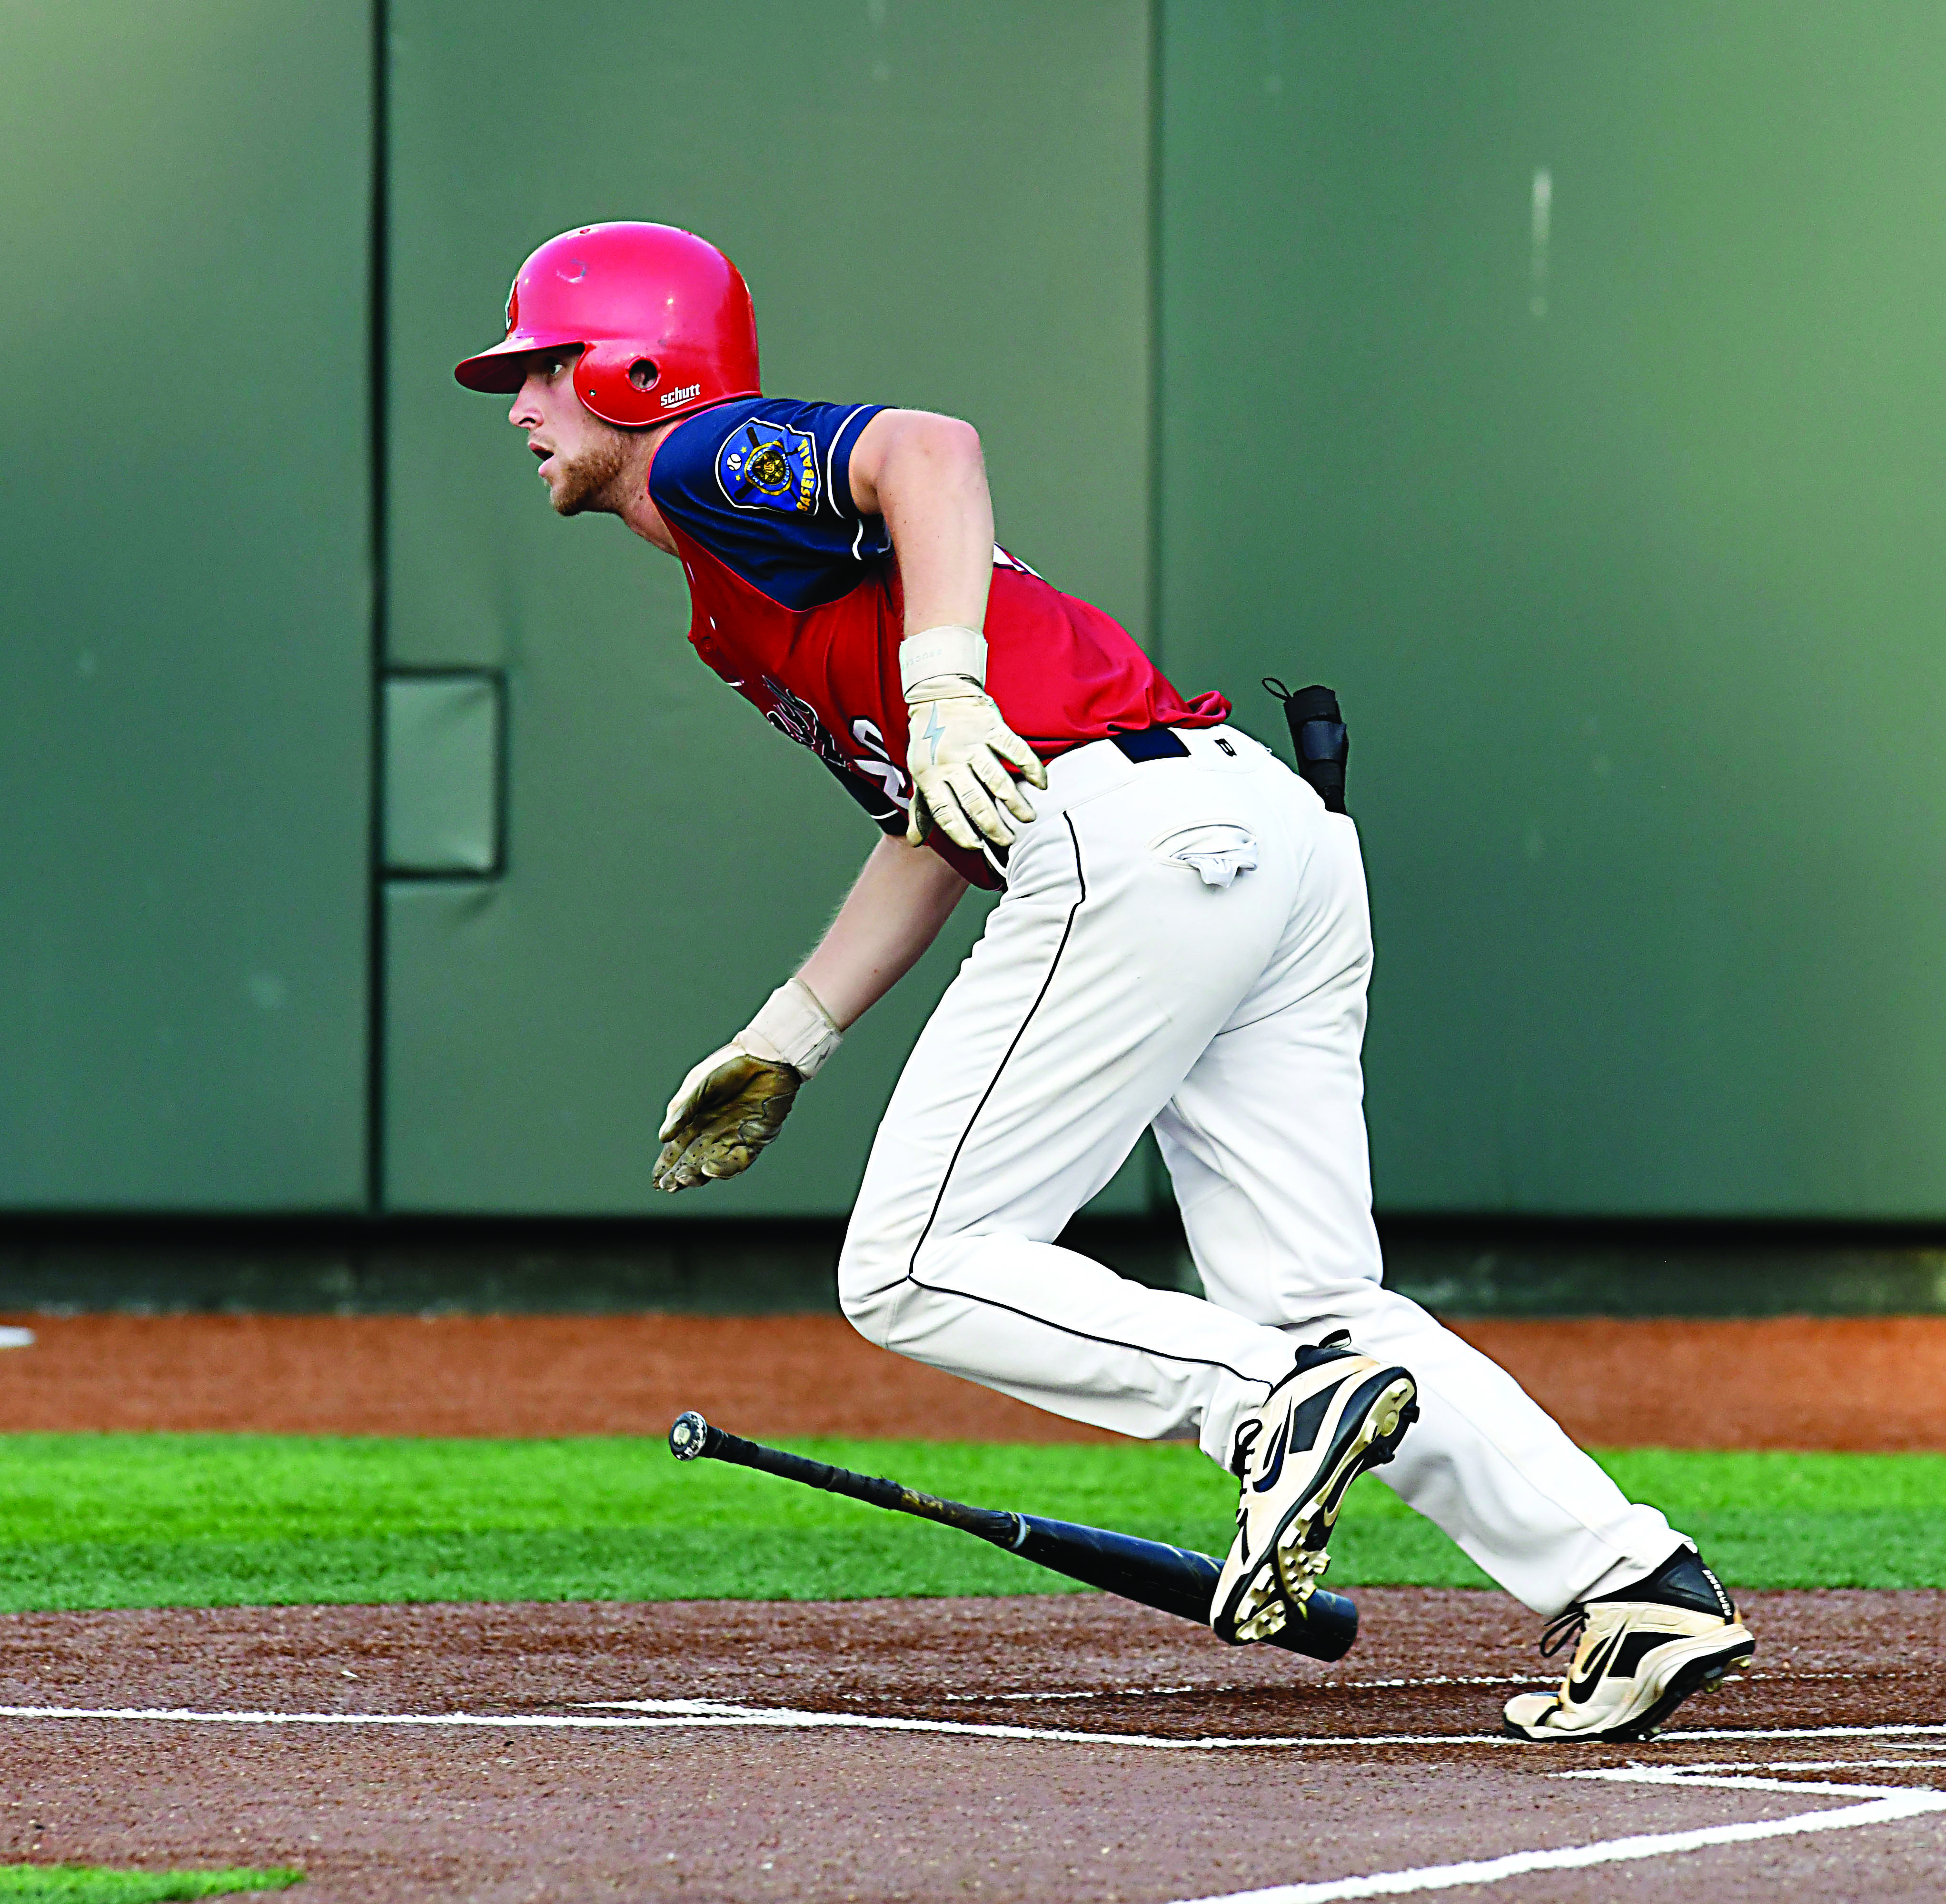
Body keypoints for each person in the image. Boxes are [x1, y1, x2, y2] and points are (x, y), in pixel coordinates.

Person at [455, 220, 1754, 1740]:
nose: (520, 406)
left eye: (540, 366)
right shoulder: (730, 590)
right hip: (1258, 834)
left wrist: (944, 680)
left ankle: (1257, 1407)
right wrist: (790, 1034)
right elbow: (939, 823)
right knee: (1318, 1298)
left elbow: (929, 449)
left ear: (633, 361)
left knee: (912, 1266)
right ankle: (1627, 1579)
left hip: (1136, 833)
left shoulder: (698, 461)